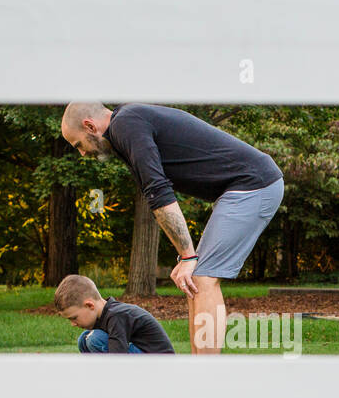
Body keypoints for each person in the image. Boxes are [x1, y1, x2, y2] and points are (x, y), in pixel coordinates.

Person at [60, 102, 284, 354]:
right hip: (240, 188)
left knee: (202, 278)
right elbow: (155, 194)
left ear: (89, 126)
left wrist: (188, 255)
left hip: (254, 184)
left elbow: (158, 190)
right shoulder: (127, 126)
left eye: (78, 145)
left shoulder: (126, 124)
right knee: (194, 280)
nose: (82, 153)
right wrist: (185, 256)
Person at [53, 274, 174, 354]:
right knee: (83, 339)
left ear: (90, 305)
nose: (73, 324)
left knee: (94, 338)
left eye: (74, 318)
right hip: (141, 356)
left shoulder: (117, 315)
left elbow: (118, 358)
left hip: (159, 363)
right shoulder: (103, 316)